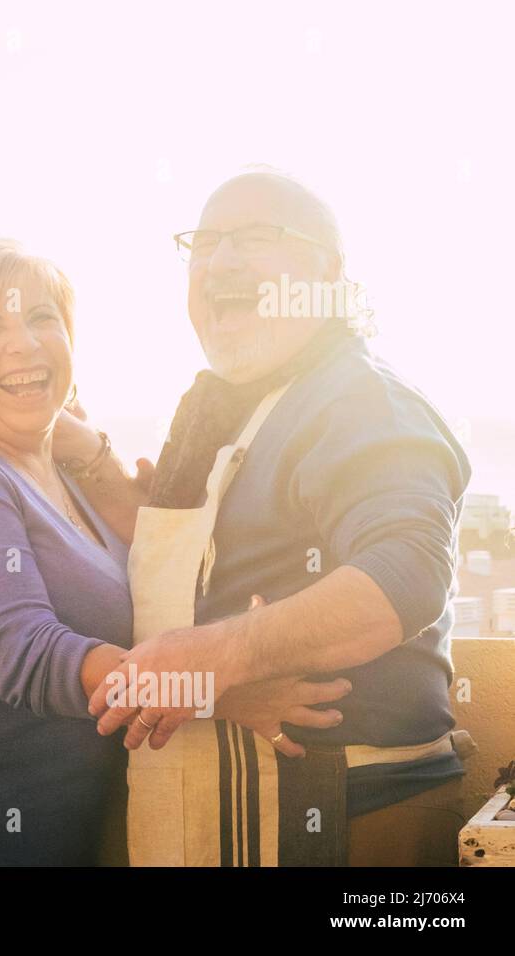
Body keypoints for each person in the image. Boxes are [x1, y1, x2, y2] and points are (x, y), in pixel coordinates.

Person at [0, 238, 349, 865]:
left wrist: (88, 446)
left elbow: (162, 557)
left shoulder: (50, 465)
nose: (24, 342)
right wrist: (217, 687)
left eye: (42, 317)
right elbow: (29, 657)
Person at [74, 171, 473, 866]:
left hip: (347, 808)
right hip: (222, 799)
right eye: (206, 242)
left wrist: (218, 655)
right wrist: (78, 451)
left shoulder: (361, 401)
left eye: (256, 238)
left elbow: (405, 577)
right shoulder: (232, 407)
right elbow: (191, 557)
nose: (222, 260)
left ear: (330, 274)